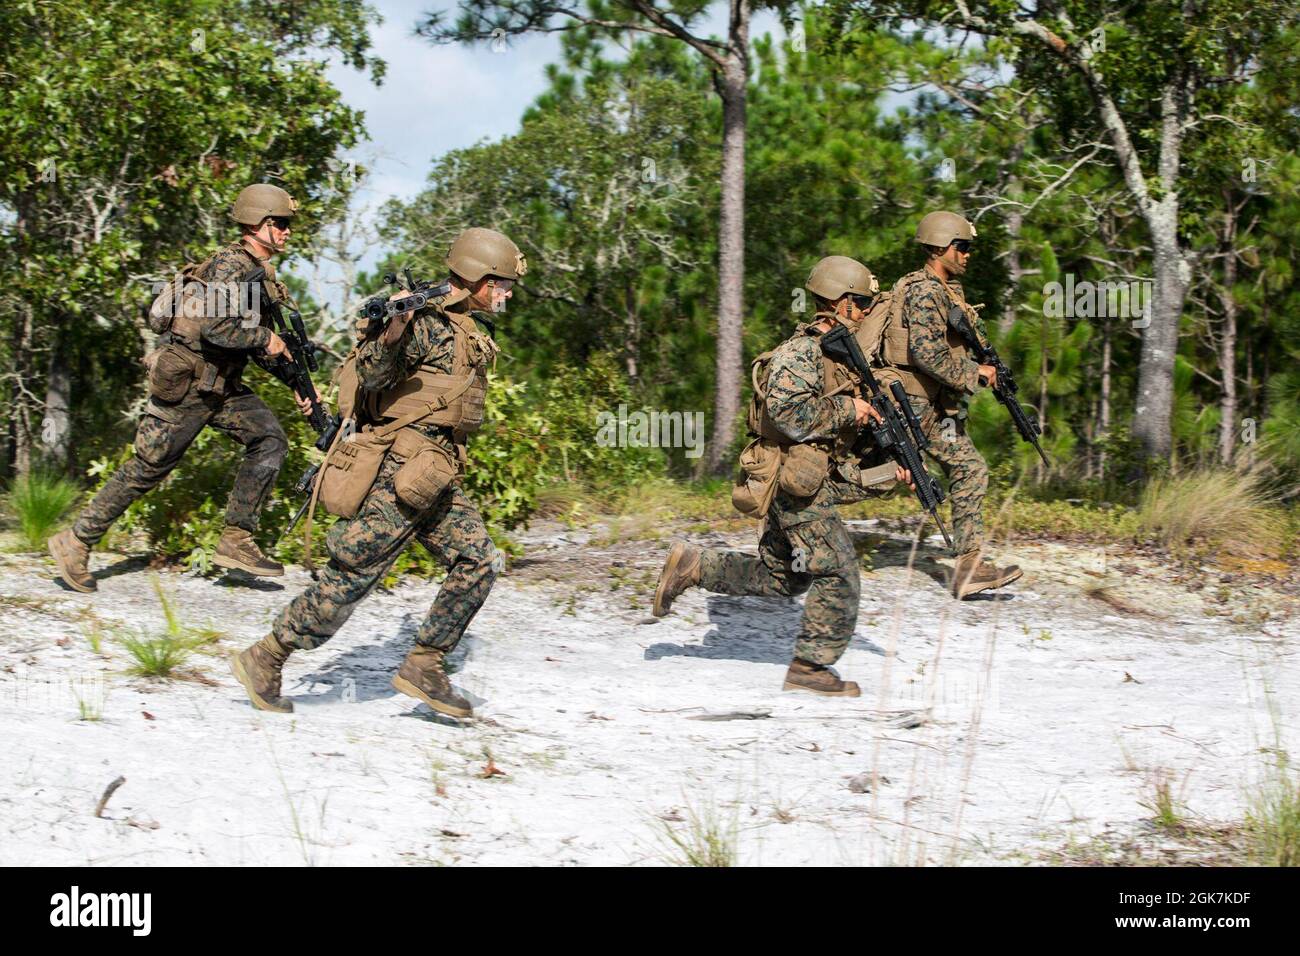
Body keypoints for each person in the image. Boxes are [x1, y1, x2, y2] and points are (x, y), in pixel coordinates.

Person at [229, 227, 526, 718]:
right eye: (500, 282)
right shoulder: (423, 322)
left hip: (432, 473)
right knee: (351, 577)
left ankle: (424, 665)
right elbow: (372, 376)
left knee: (479, 560)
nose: (507, 292)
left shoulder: (466, 327)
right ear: (476, 277)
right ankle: (266, 657)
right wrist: (392, 332)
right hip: (398, 472)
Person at [652, 256, 910, 697]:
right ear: (841, 302)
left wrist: (887, 466)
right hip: (794, 484)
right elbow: (787, 414)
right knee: (839, 572)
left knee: (783, 576)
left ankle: (695, 566)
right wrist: (851, 409)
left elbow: (836, 438)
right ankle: (811, 668)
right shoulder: (801, 352)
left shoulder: (840, 357)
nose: (867, 311)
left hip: (809, 479)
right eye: (863, 301)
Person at [49, 183, 317, 592]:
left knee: (269, 439)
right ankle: (75, 541)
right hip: (189, 386)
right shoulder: (232, 266)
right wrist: (266, 339)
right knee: (148, 468)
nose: (287, 232)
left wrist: (295, 382)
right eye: (280, 224)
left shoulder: (259, 275)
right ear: (257, 225)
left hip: (222, 386)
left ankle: (236, 539)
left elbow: (252, 341)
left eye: (286, 225)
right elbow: (218, 328)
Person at [880, 211, 1021, 599]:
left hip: (930, 404)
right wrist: (975, 373)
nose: (967, 255)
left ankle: (970, 566)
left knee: (958, 468)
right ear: (941, 247)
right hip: (915, 403)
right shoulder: (926, 291)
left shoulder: (943, 289)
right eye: (962, 247)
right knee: (965, 468)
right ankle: (969, 568)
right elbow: (926, 354)